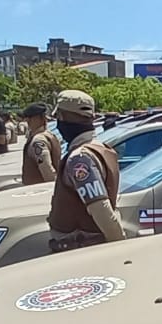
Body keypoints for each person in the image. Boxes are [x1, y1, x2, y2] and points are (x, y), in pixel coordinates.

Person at [46, 89, 125, 251]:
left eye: (59, 116)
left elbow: (101, 209)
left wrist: (120, 248)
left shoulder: (80, 158)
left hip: (79, 249)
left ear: (63, 117)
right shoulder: (101, 148)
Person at [18, 102, 61, 185]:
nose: (27, 121)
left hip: (39, 190)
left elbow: (47, 169)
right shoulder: (49, 135)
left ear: (40, 118)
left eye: (30, 118)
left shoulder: (39, 140)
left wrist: (53, 187)